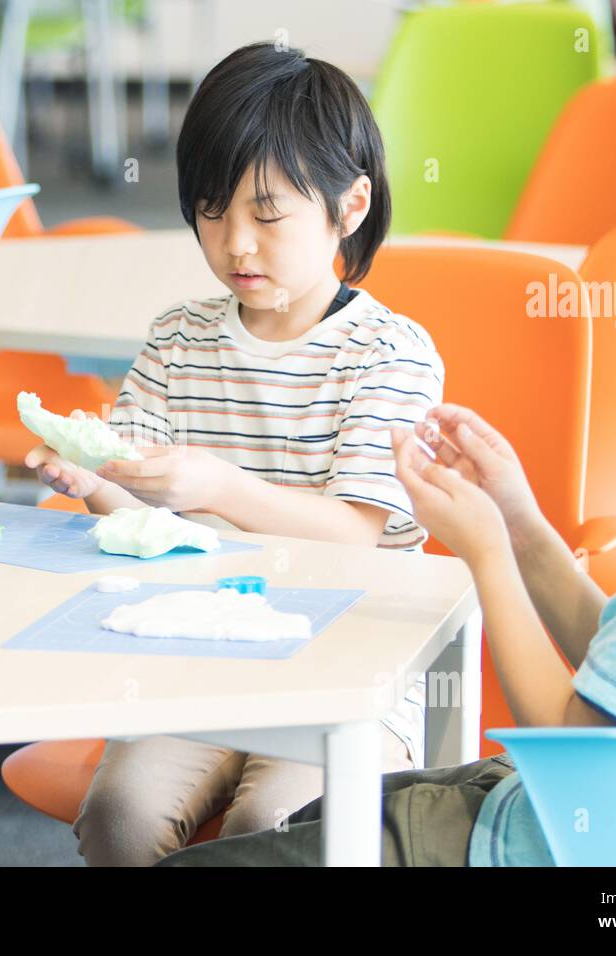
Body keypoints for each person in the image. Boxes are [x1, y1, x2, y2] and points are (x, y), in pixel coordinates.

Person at [158, 152, 616, 865]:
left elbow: (576, 747)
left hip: (544, 843)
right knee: (308, 815)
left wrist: (485, 553)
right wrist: (521, 527)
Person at [26, 42, 444, 865]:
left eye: (268, 213)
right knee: (119, 812)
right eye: (212, 210)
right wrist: (94, 481)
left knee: (276, 832)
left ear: (349, 206)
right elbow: (150, 511)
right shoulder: (179, 339)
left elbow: (359, 532)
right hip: (197, 654)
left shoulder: (390, 354)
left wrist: (217, 484)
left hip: (347, 669)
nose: (235, 243)